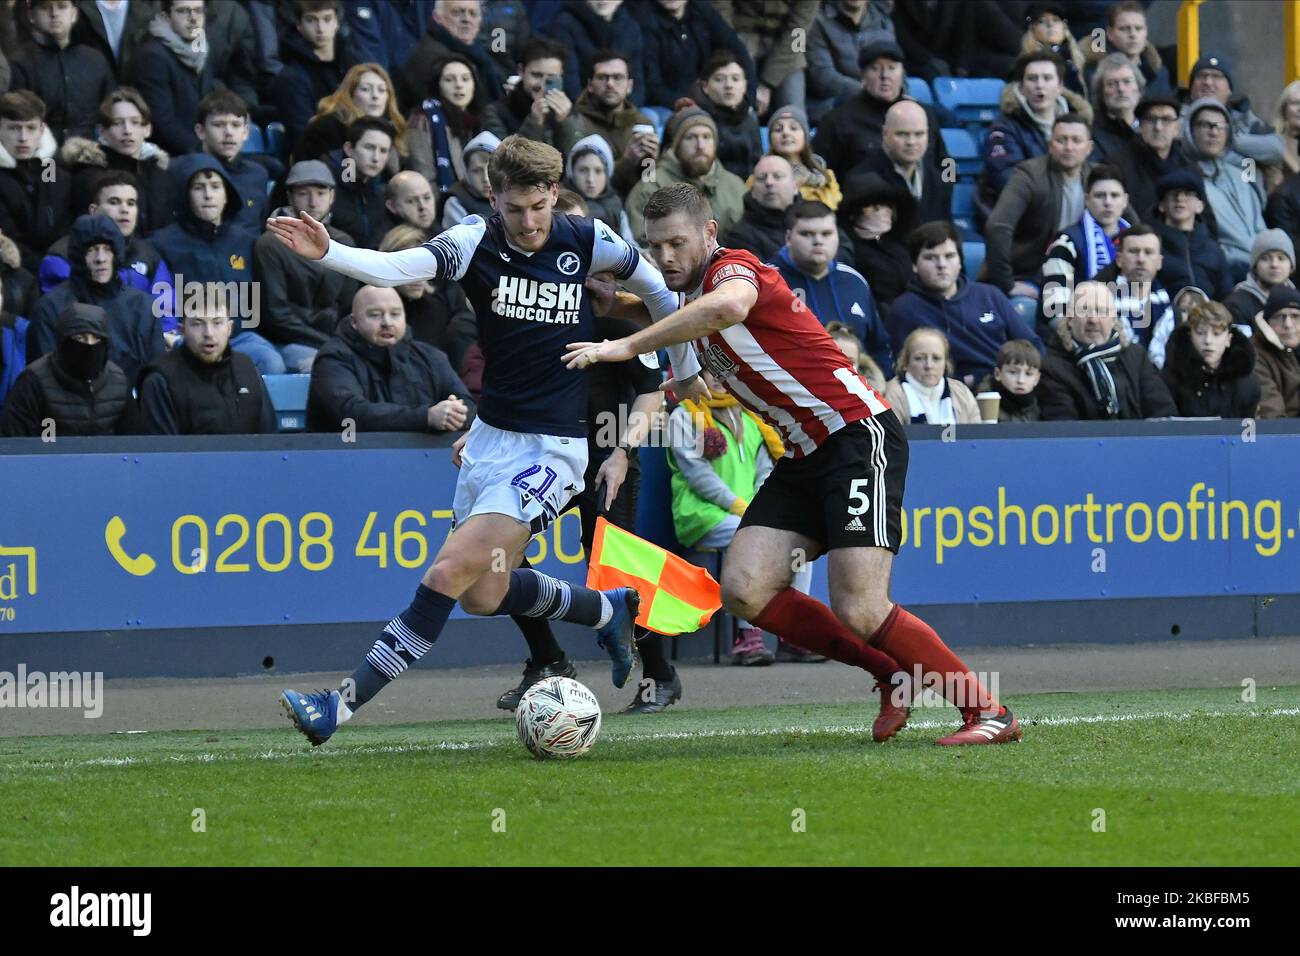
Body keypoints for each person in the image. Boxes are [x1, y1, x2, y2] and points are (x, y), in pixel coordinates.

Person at [268, 135, 705, 746]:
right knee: (483, 593)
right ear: (492, 196)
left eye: (538, 206)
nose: (528, 223)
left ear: (555, 194)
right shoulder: (473, 239)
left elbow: (660, 289)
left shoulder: (590, 239)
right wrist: (330, 252)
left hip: (553, 450)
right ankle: (610, 609)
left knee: (447, 571)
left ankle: (336, 707)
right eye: (514, 208)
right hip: (490, 442)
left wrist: (679, 371)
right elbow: (396, 268)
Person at [563, 181, 1023, 745]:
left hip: (857, 436)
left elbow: (727, 306)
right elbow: (680, 379)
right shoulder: (691, 315)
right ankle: (891, 674)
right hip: (804, 457)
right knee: (745, 589)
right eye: (653, 248)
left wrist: (625, 344)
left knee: (860, 604)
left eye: (676, 244)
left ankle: (987, 711)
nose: (664, 258)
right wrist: (623, 436)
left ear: (709, 233)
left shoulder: (735, 270)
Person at [665, 369, 822, 666]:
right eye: (706, 373)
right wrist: (743, 509)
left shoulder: (751, 418)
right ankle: (747, 638)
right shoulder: (683, 416)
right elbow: (698, 476)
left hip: (746, 515)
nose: (715, 379)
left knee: (800, 541)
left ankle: (794, 633)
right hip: (701, 517)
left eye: (720, 373)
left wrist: (759, 510)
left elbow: (766, 473)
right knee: (756, 542)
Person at [890, 221, 1042, 387]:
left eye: (949, 256)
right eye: (930, 257)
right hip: (947, 394)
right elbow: (902, 369)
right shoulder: (903, 310)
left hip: (1006, 388)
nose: (941, 265)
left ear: (960, 261)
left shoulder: (990, 295)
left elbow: (1032, 347)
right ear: (914, 265)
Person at [306, 284, 474, 433]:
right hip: (345, 459)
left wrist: (456, 413)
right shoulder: (333, 358)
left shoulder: (431, 356)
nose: (387, 322)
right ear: (354, 322)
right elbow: (350, 414)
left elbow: (469, 405)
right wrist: (426, 417)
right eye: (375, 315)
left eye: (395, 314)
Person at [28, 213, 163, 382]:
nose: (101, 259)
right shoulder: (50, 308)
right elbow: (43, 379)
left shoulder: (143, 306)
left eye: (107, 249)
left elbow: (155, 374)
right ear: (78, 256)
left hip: (132, 405)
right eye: (91, 250)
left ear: (117, 253)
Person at [39, 172, 174, 341]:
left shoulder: (150, 257)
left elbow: (166, 318)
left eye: (131, 203)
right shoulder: (61, 257)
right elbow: (62, 320)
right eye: (114, 202)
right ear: (93, 211)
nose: (124, 210)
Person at [252, 160, 359, 370]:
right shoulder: (271, 244)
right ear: (290, 197)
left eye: (320, 193)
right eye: (303, 193)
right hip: (290, 342)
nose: (312, 202)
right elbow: (276, 315)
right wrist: (328, 343)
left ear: (332, 196)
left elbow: (347, 305)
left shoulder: (344, 242)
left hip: (335, 340)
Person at [983, 113, 1097, 299]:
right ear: (1050, 145)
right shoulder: (1028, 175)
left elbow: (1129, 225)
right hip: (1035, 274)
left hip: (1085, 273)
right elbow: (998, 226)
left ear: (1089, 147)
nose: (1068, 147)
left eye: (1076, 141)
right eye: (1061, 140)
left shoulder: (1099, 177)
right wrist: (1006, 283)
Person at [771, 199, 891, 373]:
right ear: (788, 238)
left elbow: (879, 345)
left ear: (837, 236)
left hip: (856, 392)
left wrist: (880, 386)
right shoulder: (767, 281)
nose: (818, 241)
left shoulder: (855, 281)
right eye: (807, 234)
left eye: (826, 233)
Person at [138, 288, 278, 435]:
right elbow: (161, 453)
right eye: (198, 324)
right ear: (182, 330)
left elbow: (270, 441)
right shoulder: (160, 380)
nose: (209, 333)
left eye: (217, 323)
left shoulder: (247, 369)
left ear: (229, 328)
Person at [1037, 280, 1177, 420]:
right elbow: (1064, 429)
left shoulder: (1136, 356)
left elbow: (1163, 414)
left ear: (1113, 318)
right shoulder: (1052, 368)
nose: (1093, 319)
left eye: (1101, 311)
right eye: (1084, 310)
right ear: (1069, 319)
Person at [977, 50, 1091, 223]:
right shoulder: (1003, 130)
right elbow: (1010, 182)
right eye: (1032, 79)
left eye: (1047, 78)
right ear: (1021, 87)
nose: (1039, 85)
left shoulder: (1079, 124)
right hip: (1026, 220)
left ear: (1060, 86)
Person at [0, 301, 137, 436]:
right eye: (80, 338)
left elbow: (134, 443)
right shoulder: (33, 382)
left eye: (96, 339)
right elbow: (15, 441)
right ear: (63, 341)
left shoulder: (119, 382)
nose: (89, 345)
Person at [813, 39, 944, 180]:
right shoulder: (838, 121)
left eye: (892, 68)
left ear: (902, 73)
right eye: (875, 68)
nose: (884, 76)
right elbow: (816, 171)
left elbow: (947, 163)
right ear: (862, 75)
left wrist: (946, 191)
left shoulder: (922, 114)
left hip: (920, 199)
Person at [60, 88, 175, 236]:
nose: (127, 130)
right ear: (102, 131)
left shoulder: (160, 175)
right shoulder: (88, 176)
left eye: (135, 122)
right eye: (117, 123)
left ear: (147, 129)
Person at [625, 102, 746, 243]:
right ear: (676, 146)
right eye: (691, 138)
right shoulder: (651, 186)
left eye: (706, 137)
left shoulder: (736, 186)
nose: (700, 146)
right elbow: (644, 243)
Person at [375, 223, 477, 380]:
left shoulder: (441, 306)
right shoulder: (373, 307)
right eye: (411, 269)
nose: (419, 278)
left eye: (423, 269)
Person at [1181, 97, 1266, 283]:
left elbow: (1260, 227)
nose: (1214, 132)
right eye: (1205, 125)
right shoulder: (1184, 180)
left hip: (1262, 267)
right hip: (1225, 270)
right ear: (1190, 130)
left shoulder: (1242, 175)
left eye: (1220, 126)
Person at [10, 0, 115, 143]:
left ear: (74, 14)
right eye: (45, 7)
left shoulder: (95, 60)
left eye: (62, 7)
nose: (54, 14)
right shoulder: (20, 63)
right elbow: (15, 119)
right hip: (42, 156)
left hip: (92, 153)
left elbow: (112, 112)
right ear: (31, 15)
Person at [1038, 164, 1131, 325]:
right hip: (1082, 334)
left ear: (1125, 201)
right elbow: (1054, 309)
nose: (1108, 202)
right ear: (1087, 200)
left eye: (1114, 195)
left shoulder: (1139, 243)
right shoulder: (1065, 243)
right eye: (1100, 196)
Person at [127, 0, 220, 155]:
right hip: (172, 156)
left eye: (198, 11)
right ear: (166, 17)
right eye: (183, 11)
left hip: (201, 150)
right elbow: (161, 123)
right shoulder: (152, 56)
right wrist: (205, 150)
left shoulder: (202, 51)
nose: (193, 18)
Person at [632, 0, 756, 110]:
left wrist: (747, 99)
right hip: (667, 105)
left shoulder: (701, 9)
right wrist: (684, 104)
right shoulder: (643, 19)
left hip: (707, 97)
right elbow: (651, 85)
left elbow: (737, 50)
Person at [0, 90, 72, 274]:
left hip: (60, 267)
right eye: (14, 128)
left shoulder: (53, 170)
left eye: (30, 128)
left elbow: (63, 224)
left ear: (42, 130)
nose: (23, 137)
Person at [858, 99, 952, 238]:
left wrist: (950, 182)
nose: (911, 142)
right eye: (902, 134)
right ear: (885, 134)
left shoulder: (939, 182)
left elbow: (949, 161)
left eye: (919, 134)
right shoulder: (863, 182)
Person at [273, 0, 358, 151]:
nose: (320, 28)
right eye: (311, 20)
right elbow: (303, 135)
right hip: (320, 160)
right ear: (299, 26)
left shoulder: (355, 64)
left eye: (327, 19)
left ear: (337, 22)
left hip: (360, 151)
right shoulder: (291, 77)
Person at [571, 48, 658, 197]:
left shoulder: (643, 123)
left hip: (636, 203)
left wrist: (652, 160)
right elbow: (584, 185)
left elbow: (649, 180)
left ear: (629, 86)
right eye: (602, 77)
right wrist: (627, 161)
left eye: (617, 77)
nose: (610, 84)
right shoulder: (576, 121)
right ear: (590, 85)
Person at [293, 62, 408, 171]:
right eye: (366, 89)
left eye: (381, 90)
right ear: (350, 95)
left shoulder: (388, 128)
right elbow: (345, 178)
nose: (375, 96)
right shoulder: (330, 127)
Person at [480, 36, 580, 159]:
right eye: (537, 75)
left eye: (551, 78)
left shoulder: (571, 112)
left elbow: (577, 162)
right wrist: (534, 123)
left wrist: (566, 122)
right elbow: (505, 163)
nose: (542, 85)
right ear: (521, 71)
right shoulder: (496, 112)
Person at [397, 0, 504, 114]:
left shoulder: (477, 52)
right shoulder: (430, 57)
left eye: (473, 13)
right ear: (437, 17)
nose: (466, 19)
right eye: (457, 12)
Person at [1094, 224, 1177, 369]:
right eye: (1134, 251)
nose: (1141, 259)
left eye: (1148, 252)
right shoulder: (1097, 303)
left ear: (1159, 262)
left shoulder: (1169, 309)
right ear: (1119, 259)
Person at [1182, 53, 1285, 169]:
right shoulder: (1174, 116)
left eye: (1216, 76)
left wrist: (1228, 138)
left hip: (1244, 184)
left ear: (1229, 89)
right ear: (1191, 89)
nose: (1208, 82)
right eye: (1201, 76)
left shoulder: (1244, 118)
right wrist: (1247, 157)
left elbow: (1277, 149)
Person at [1159, 301, 1259, 419]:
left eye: (1216, 334)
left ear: (1229, 339)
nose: (1208, 341)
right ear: (1190, 335)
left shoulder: (1246, 382)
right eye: (1200, 333)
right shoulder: (1170, 379)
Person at [405, 54, 487, 194]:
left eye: (466, 79)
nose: (459, 85)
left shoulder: (480, 120)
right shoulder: (422, 120)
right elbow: (425, 176)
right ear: (437, 85)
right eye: (449, 80)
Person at [1110, 93, 1197, 222]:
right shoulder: (1117, 166)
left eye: (1166, 120)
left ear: (1177, 127)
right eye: (1151, 119)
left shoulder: (1190, 168)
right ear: (1140, 126)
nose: (1158, 127)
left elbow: (1204, 220)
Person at [541, 0, 645, 107]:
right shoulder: (564, 25)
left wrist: (628, 110)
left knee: (651, 117)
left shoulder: (631, 27)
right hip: (580, 110)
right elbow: (570, 84)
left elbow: (637, 82)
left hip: (621, 109)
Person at [835, 171, 913, 312]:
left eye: (887, 205)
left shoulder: (898, 245)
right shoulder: (848, 250)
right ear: (854, 214)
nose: (883, 212)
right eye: (874, 207)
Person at [193, 90, 271, 231]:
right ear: (200, 131)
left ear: (246, 132)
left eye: (236, 125)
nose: (229, 133)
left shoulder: (258, 174)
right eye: (218, 125)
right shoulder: (182, 172)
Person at [1152, 169, 1231, 302]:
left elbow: (1226, 297)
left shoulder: (1213, 250)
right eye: (1173, 194)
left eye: (1188, 194)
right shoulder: (1151, 246)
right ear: (1162, 205)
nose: (1180, 199)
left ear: (1200, 206)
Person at [321, 116, 396, 249]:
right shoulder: (324, 180)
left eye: (383, 151)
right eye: (369, 148)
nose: (376, 158)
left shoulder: (378, 187)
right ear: (349, 149)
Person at [688, 50, 763, 181]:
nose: (729, 85)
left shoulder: (750, 121)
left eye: (735, 79)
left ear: (744, 85)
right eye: (719, 79)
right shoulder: (694, 121)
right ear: (705, 86)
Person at [883, 327, 981, 425]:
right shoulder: (891, 395)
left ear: (945, 363)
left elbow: (977, 436)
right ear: (906, 363)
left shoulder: (962, 393)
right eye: (919, 358)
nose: (929, 366)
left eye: (936, 358)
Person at [722, 155, 800, 263]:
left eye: (777, 176)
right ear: (752, 190)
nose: (769, 182)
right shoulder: (740, 236)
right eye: (761, 178)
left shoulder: (815, 221)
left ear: (795, 186)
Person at [760, 104, 839, 209]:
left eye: (794, 128)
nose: (786, 133)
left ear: (805, 136)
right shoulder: (759, 177)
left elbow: (831, 207)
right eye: (778, 129)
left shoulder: (826, 176)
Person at [563, 134, 634, 245]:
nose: (590, 179)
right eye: (583, 170)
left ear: (607, 174)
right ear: (571, 172)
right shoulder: (561, 206)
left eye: (598, 171)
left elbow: (629, 244)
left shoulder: (615, 204)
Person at [1087, 1, 1170, 95]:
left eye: (1138, 28)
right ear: (1110, 33)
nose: (1133, 34)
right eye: (1124, 29)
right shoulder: (1094, 74)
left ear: (1146, 32)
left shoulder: (1159, 72)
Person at [1223, 230, 1296, 333]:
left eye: (1281, 258)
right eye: (1265, 258)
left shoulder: (1296, 301)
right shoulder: (1236, 306)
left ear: (1291, 266)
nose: (1274, 264)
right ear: (1255, 266)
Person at [1019, 1, 1085, 96]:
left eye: (1056, 20)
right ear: (1032, 30)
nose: (1050, 24)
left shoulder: (1079, 59)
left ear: (1064, 28)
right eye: (1041, 21)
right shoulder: (1023, 64)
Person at [1253, 285, 1300, 418]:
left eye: (1295, 316)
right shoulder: (1255, 355)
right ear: (1268, 322)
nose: (1288, 324)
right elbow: (1272, 417)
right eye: (1280, 316)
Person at [1087, 53, 1143, 162]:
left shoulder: (1152, 127)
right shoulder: (1091, 135)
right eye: (1112, 84)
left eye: (1127, 82)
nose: (1121, 89)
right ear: (1101, 93)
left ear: (1139, 89)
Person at [975, 338, 1042, 422]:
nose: (1021, 380)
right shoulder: (983, 402)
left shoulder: (1040, 403)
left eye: (1028, 374)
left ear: (1037, 378)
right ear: (997, 374)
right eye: (1013, 372)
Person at [441, 129, 498, 227]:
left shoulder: (511, 194)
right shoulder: (456, 203)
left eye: (491, 170)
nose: (485, 178)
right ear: (466, 172)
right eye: (476, 171)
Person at [384, 170, 439, 236]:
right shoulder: (386, 242)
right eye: (411, 201)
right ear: (392, 206)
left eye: (427, 198)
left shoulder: (445, 236)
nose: (422, 206)